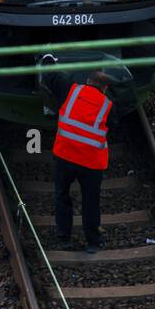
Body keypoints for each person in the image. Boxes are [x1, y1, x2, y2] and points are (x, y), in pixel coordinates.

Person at [40, 60, 115, 254]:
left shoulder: (70, 91)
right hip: (91, 163)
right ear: (105, 88)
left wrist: (48, 59)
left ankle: (64, 238)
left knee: (62, 195)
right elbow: (114, 124)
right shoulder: (108, 105)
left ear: (88, 81)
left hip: (65, 156)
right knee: (91, 201)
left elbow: (49, 75)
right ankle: (93, 242)